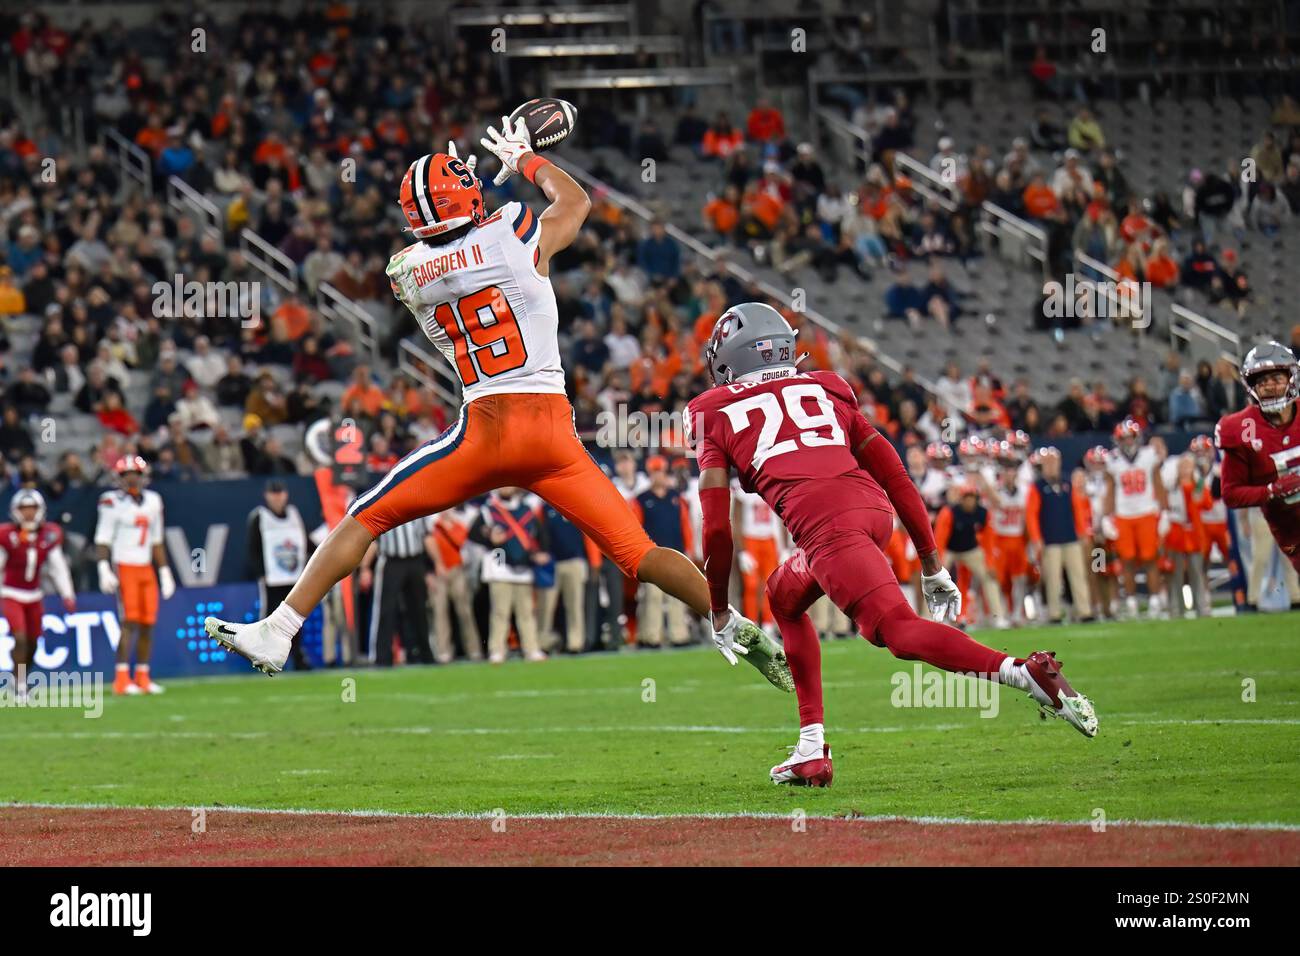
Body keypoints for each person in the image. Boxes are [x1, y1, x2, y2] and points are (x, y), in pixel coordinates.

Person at [205, 132, 790, 692]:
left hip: (483, 432)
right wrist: (524, 158)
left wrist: (453, 193)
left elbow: (441, 244)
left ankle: (279, 630)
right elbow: (575, 201)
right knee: (637, 552)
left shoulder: (405, 271)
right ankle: (727, 619)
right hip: (552, 433)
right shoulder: (511, 231)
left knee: (365, 516)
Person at [687, 303, 1098, 787]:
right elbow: (891, 469)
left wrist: (718, 609)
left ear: (728, 360)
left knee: (898, 634)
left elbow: (716, 529)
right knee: (782, 595)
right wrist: (931, 563)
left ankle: (1022, 672)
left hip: (830, 531)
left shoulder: (710, 411)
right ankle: (811, 749)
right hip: (872, 511)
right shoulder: (826, 385)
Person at [1216, 342, 1300, 583]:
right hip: (1292, 531)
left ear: (1291, 378)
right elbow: (1231, 494)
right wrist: (1271, 491)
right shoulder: (1241, 428)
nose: (1269, 387)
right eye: (1261, 382)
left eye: (1276, 378)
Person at [95, 457, 175, 695]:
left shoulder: (153, 501)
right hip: (124, 566)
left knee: (148, 624)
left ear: (143, 476)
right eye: (126, 474)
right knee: (128, 623)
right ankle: (121, 678)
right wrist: (103, 568)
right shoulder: (111, 502)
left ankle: (142, 676)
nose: (131, 479)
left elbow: (157, 540)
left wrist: (164, 570)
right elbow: (102, 539)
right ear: (118, 478)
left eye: (135, 474)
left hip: (145, 567)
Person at [0, 490, 75, 700]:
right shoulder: (7, 535)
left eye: (32, 509)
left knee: (33, 642)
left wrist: (67, 594)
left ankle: (19, 681)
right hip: (11, 593)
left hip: (34, 595)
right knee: (20, 639)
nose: (28, 514)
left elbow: (58, 567)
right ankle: (20, 687)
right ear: (15, 511)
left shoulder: (48, 534)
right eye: (24, 509)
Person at [245, 479, 312, 670]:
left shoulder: (293, 514)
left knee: (294, 619)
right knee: (268, 617)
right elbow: (253, 548)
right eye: (273, 494)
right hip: (272, 578)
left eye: (280, 493)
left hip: (294, 577)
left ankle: (298, 655)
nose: (277, 498)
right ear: (267, 496)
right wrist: (261, 573)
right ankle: (263, 657)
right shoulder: (260, 516)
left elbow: (305, 541)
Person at [1104, 419, 1168, 618]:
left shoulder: (1149, 456)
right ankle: (1131, 601)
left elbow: (1158, 484)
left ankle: (1155, 599)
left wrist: (1164, 511)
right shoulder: (1113, 461)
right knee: (1127, 561)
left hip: (1147, 512)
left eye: (1131, 437)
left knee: (1151, 559)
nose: (1128, 442)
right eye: (1124, 438)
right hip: (1123, 516)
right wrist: (1107, 516)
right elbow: (1110, 490)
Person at [361, 515, 435, 666]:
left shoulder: (417, 506)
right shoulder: (385, 506)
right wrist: (365, 568)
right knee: (385, 610)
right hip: (390, 561)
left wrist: (437, 564)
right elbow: (373, 541)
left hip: (416, 560)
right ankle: (381, 657)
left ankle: (424, 654)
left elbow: (427, 536)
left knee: (420, 610)